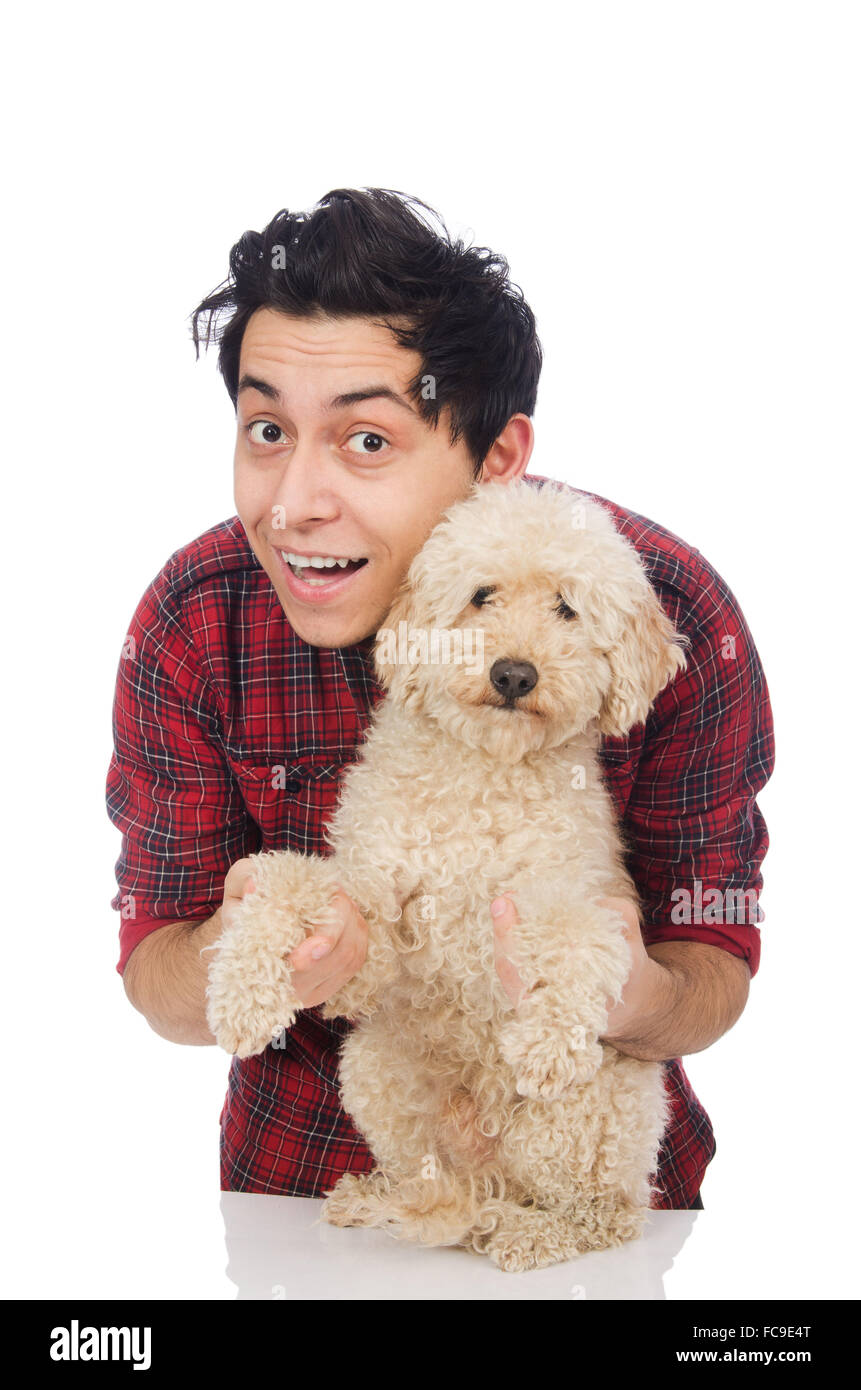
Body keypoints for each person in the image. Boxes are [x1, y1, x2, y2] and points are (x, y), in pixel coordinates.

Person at [106, 187, 773, 1211]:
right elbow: (155, 969)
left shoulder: (663, 612)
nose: (294, 504)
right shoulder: (198, 621)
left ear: (498, 459)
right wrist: (248, 953)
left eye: (367, 440)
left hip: (595, 1214)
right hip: (301, 1203)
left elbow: (715, 964)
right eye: (267, 428)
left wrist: (628, 996)